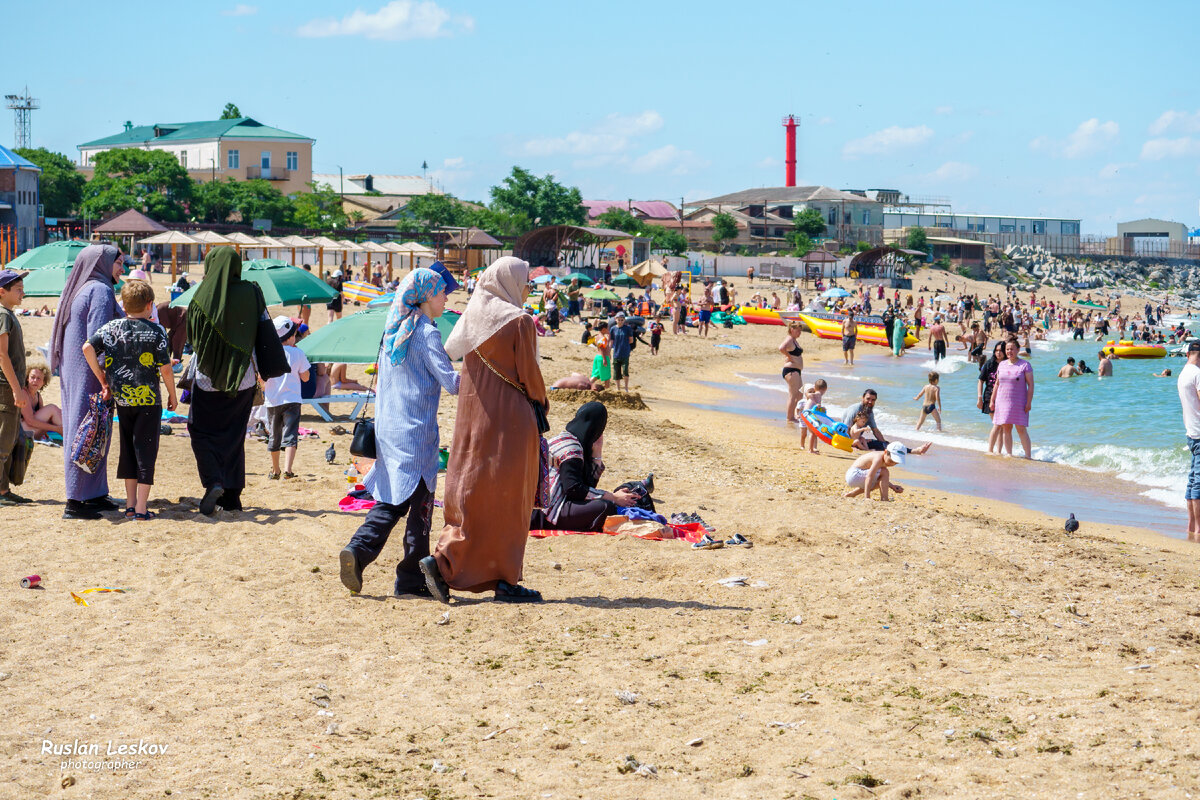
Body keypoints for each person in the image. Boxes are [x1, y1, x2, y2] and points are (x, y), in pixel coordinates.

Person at [420, 256, 548, 604]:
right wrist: (543, 403)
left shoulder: (472, 319)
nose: (526, 289)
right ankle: (504, 578)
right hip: (510, 420)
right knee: (508, 499)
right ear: (509, 282)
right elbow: (530, 377)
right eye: (524, 281)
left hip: (471, 418)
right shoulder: (519, 321)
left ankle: (445, 559)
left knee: (470, 491)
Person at [339, 269, 459, 596]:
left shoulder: (394, 330)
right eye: (441, 292)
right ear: (424, 296)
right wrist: (484, 371)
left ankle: (359, 549)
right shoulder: (426, 334)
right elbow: (452, 383)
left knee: (395, 494)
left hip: (389, 429)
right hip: (416, 431)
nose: (446, 298)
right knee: (418, 504)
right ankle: (410, 579)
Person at [81, 279, 176, 520]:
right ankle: (142, 509)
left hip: (122, 400)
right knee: (145, 452)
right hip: (148, 401)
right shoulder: (157, 331)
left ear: (123, 305)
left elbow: (87, 348)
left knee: (128, 452)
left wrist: (103, 379)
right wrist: (173, 395)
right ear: (149, 305)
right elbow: (165, 369)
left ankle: (130, 505)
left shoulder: (112, 327)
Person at [186, 247, 270, 516]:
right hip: (243, 379)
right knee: (234, 436)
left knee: (200, 431)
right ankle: (232, 497)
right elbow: (264, 327)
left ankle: (213, 481)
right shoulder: (252, 291)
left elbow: (193, 337)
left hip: (207, 378)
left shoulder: (201, 294)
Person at [50, 244, 125, 520]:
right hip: (92, 374)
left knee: (82, 429)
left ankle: (93, 493)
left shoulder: (81, 288)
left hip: (76, 371)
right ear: (102, 264)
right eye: (118, 263)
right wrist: (105, 378)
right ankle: (76, 500)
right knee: (89, 431)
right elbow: (100, 337)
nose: (122, 268)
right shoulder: (101, 291)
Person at [537, 401, 637, 531]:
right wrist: (613, 497)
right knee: (607, 507)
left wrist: (597, 452)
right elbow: (574, 489)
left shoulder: (564, 438)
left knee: (605, 503)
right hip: (548, 512)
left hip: (544, 507)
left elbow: (587, 487)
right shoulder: (572, 448)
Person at [261, 316, 311, 480]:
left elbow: (261, 380)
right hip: (292, 400)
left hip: (272, 400)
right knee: (290, 435)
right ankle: (288, 470)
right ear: (290, 336)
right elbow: (306, 378)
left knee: (274, 436)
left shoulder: (267, 353)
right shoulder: (297, 353)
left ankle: (275, 471)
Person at [0, 269, 31, 506]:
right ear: (2, 292)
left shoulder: (8, 314)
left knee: (9, 439)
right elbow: (2, 355)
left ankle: (4, 490)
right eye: (17, 289)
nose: (23, 293)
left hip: (8, 386)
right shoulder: (3, 315)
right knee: (4, 438)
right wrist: (16, 389)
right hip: (4, 387)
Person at [841, 389, 932, 455]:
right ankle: (913, 451)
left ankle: (914, 451)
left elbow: (875, 431)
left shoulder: (869, 412)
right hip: (848, 440)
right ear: (862, 398)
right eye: (868, 399)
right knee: (879, 446)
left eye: (873, 400)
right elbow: (844, 429)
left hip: (859, 441)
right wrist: (852, 444)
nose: (870, 402)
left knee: (884, 444)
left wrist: (884, 443)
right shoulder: (855, 410)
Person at [990, 340, 1034, 459]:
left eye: (1012, 349)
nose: (1009, 351)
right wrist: (992, 400)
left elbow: (1031, 385)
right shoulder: (1002, 364)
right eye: (1008, 349)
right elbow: (997, 384)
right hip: (1002, 400)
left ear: (1018, 350)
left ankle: (1028, 455)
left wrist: (1029, 402)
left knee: (1021, 428)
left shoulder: (1025, 365)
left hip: (1019, 401)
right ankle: (1009, 454)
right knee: (1006, 427)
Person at [1177, 341, 1200, 540]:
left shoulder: (1184, 373)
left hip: (1191, 433)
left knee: (1193, 481)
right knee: (1198, 482)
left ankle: (1191, 525)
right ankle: (1199, 529)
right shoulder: (1198, 374)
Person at [20, 364, 62, 438]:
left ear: (43, 382)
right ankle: (70, 436)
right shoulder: (23, 393)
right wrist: (56, 429)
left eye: (39, 378)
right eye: (32, 377)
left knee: (58, 412)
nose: (35, 381)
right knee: (52, 408)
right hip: (22, 432)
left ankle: (69, 434)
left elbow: (43, 419)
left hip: (32, 431)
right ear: (27, 378)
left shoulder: (38, 396)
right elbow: (30, 421)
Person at [779, 321, 805, 422]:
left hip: (796, 370)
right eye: (797, 330)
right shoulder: (789, 339)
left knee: (800, 394)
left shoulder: (794, 340)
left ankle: (796, 414)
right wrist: (789, 357)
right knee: (793, 395)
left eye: (800, 331)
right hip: (791, 370)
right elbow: (781, 348)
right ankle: (790, 417)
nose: (799, 333)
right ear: (791, 330)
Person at [798, 379, 827, 454]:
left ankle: (812, 448)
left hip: (806, 413)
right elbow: (810, 396)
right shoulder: (818, 394)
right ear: (824, 389)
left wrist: (820, 407)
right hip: (808, 414)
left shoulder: (816, 394)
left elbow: (814, 404)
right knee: (813, 432)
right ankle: (810, 449)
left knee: (814, 432)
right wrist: (816, 403)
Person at [610, 312, 634, 392]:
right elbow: (611, 341)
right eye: (619, 319)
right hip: (616, 353)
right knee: (616, 372)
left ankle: (626, 388)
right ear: (615, 319)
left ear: (624, 320)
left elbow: (631, 340)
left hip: (625, 353)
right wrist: (609, 350)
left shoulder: (627, 329)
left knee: (625, 371)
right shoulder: (613, 329)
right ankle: (618, 388)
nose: (620, 321)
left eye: (622, 320)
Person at [591, 320, 611, 389]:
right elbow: (602, 349)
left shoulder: (597, 336)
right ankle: (607, 392)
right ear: (604, 329)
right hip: (603, 357)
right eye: (607, 328)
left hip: (597, 357)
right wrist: (605, 359)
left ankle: (587, 385)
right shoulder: (603, 338)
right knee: (607, 377)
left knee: (596, 374)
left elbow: (601, 347)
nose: (608, 329)